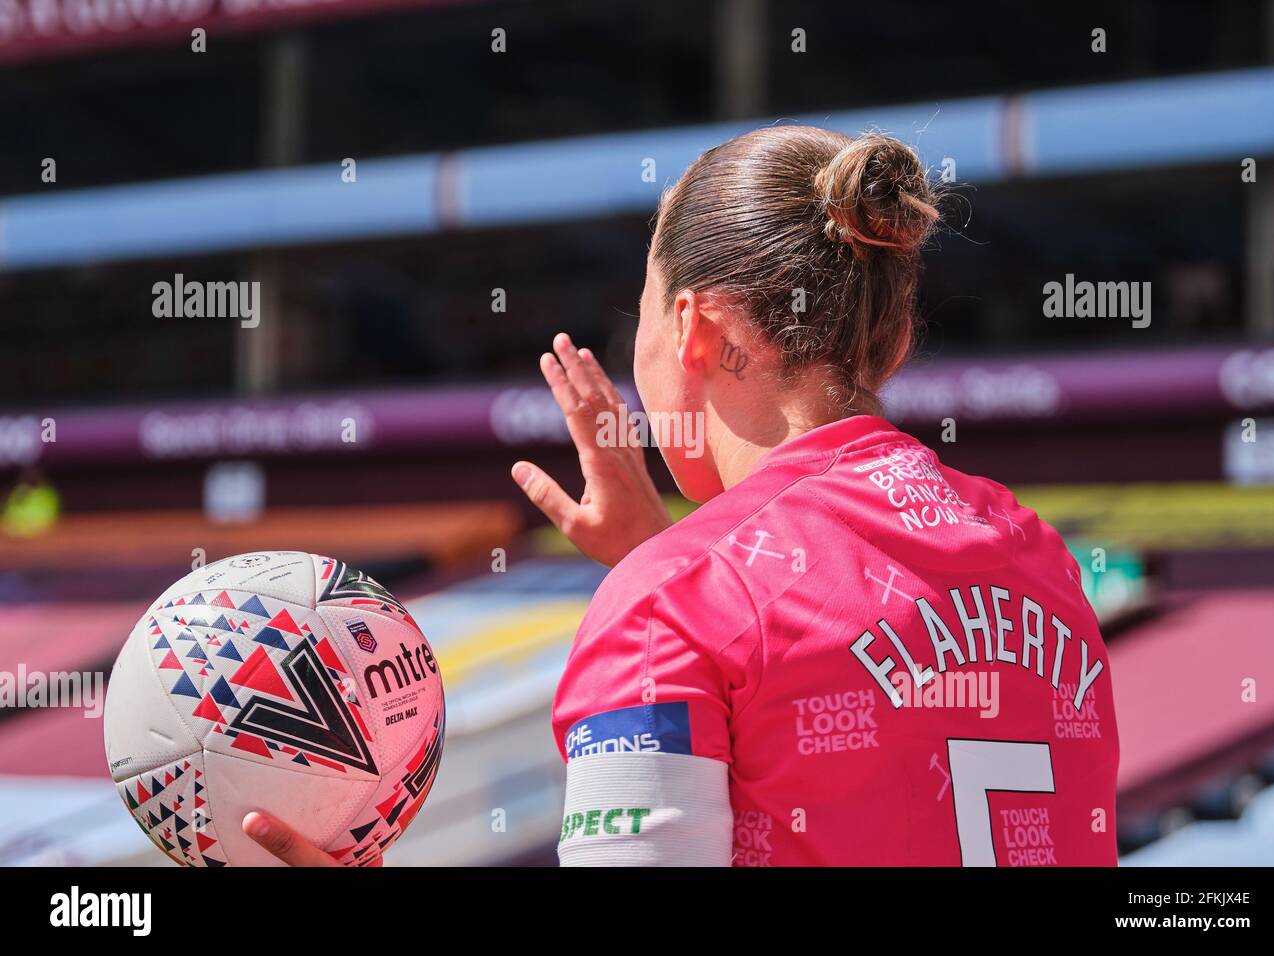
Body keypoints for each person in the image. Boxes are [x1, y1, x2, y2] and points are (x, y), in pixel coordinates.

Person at [244, 125, 1119, 867]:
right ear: (889, 346)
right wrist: (666, 566)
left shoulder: (675, 603)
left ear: (697, 330)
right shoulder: (1036, 553)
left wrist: (666, 581)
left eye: (644, 316)